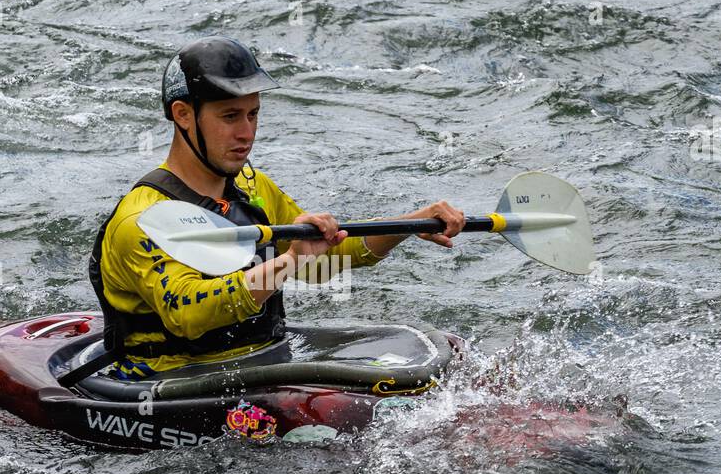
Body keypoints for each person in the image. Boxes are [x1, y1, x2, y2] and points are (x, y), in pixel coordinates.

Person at [85, 36, 464, 380]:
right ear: (184, 115)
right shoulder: (141, 219)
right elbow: (189, 313)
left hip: (258, 363)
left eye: (253, 114)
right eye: (230, 117)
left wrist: (407, 225)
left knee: (452, 357)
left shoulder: (252, 188)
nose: (246, 133)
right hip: (169, 379)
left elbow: (324, 262)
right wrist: (287, 262)